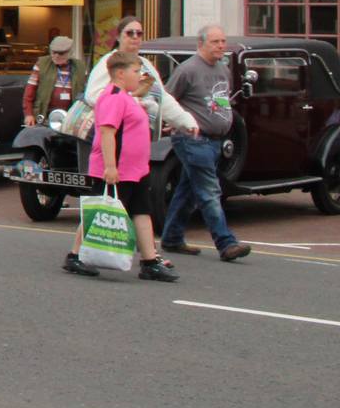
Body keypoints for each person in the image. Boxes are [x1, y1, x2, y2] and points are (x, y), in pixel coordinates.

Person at [65, 50, 176, 281]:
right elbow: (107, 133)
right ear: (120, 73)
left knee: (142, 211)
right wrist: (110, 167)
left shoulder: (125, 95)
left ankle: (149, 262)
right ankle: (74, 256)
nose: (140, 75)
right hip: (118, 169)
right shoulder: (113, 97)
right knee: (100, 213)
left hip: (136, 169)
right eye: (136, 71)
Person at [161, 24, 252, 262]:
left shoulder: (223, 70)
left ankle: (171, 237)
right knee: (210, 191)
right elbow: (167, 99)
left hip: (216, 141)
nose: (221, 46)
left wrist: (223, 119)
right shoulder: (187, 70)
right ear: (201, 44)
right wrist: (178, 121)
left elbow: (220, 101)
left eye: (223, 41)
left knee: (188, 190)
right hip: (192, 139)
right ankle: (226, 243)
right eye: (215, 42)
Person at [22, 35, 79, 126]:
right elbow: (29, 92)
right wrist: (28, 114)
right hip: (42, 114)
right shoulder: (41, 64)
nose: (56, 56)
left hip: (70, 117)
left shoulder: (80, 67)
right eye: (53, 52)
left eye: (61, 53)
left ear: (70, 53)